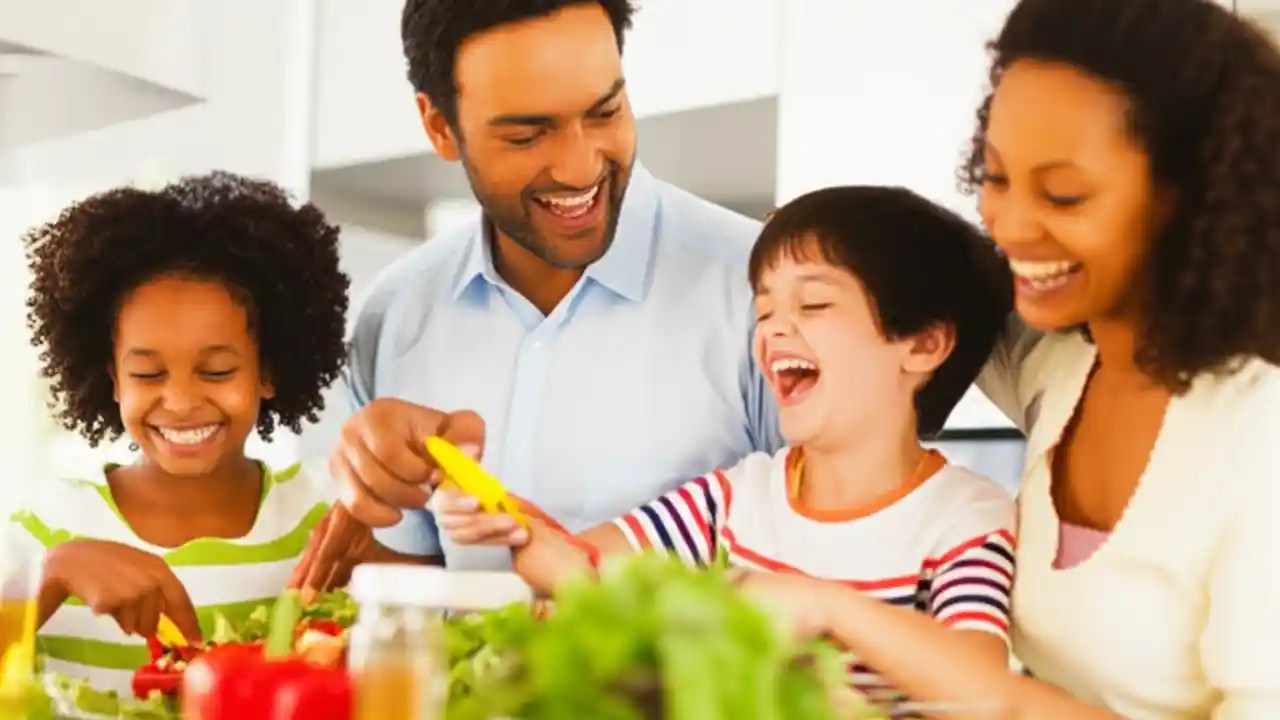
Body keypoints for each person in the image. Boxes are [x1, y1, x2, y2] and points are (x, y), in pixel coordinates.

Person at [617, 1, 1276, 718]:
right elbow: (920, 285)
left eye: (1062, 193)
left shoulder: (1255, 442)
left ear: (1196, 201)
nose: (1012, 225)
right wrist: (805, 263)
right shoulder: (1057, 365)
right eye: (995, 178)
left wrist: (832, 610)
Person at [438, 185, 1018, 700]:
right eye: (764, 310)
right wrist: (515, 525)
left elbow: (983, 688)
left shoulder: (963, 517)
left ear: (922, 345)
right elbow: (587, 570)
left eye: (813, 304)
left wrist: (825, 607)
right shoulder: (737, 498)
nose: (772, 331)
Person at [291, 0, 776, 582]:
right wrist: (366, 550)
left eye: (605, 112)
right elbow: (422, 583)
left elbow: (846, 567)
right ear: (440, 127)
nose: (577, 168)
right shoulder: (395, 314)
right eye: (526, 135)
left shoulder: (764, 292)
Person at [8, 172, 400, 694]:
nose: (182, 403)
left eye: (216, 372)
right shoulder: (47, 530)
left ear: (268, 372)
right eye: (148, 374)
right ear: (112, 378)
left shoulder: (324, 526)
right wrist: (51, 576)